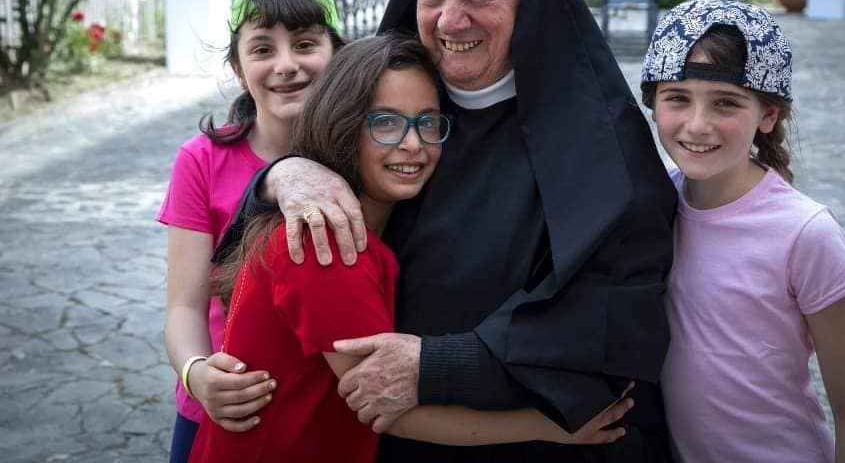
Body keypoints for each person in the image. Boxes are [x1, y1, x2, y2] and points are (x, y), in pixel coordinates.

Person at [223, 0, 678, 461]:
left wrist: (440, 364)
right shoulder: (399, 98)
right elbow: (266, 243)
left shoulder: (600, 143)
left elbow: (613, 319)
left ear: (528, 1)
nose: (450, 20)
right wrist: (281, 175)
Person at [188, 33, 636, 462]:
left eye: (427, 122)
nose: (412, 144)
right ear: (342, 124)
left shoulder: (367, 228)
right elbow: (386, 406)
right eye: (385, 122)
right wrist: (553, 427)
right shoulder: (326, 243)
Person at [640, 0, 845, 462]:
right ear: (653, 104)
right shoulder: (651, 205)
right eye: (677, 98)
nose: (697, 124)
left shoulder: (805, 234)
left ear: (768, 116)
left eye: (726, 103)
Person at [156, 0, 343, 462]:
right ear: (238, 69)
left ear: (337, 55)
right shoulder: (201, 161)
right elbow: (184, 307)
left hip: (325, 416)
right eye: (262, 49)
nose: (286, 64)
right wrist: (197, 373)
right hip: (225, 413)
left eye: (305, 44)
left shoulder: (360, 157)